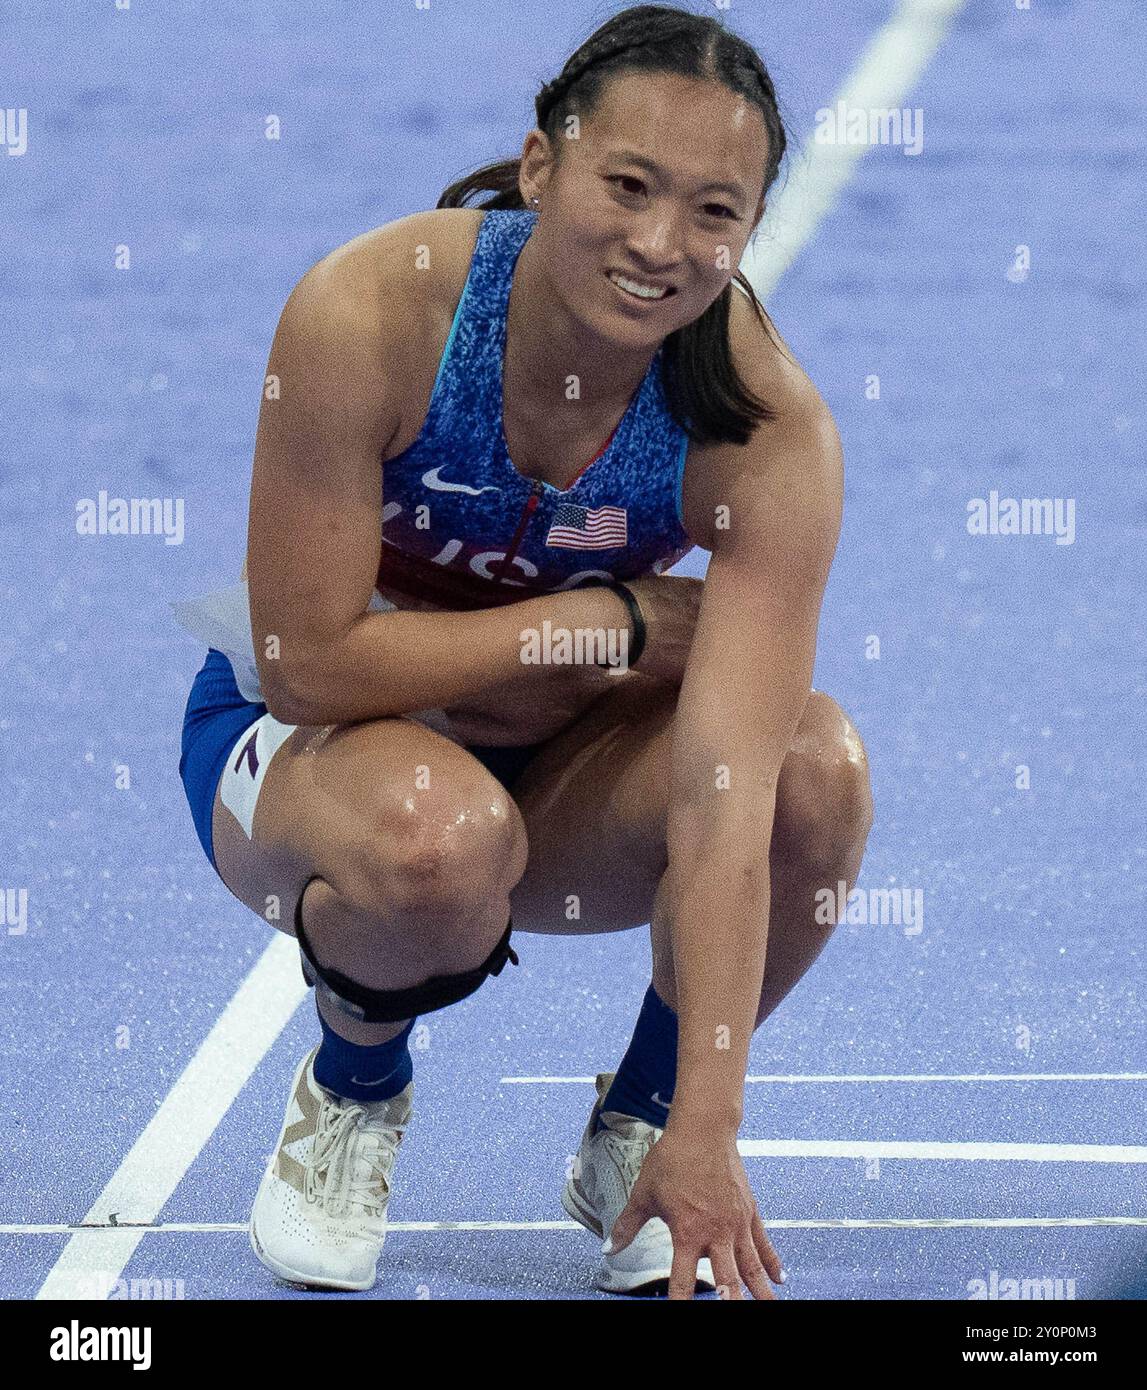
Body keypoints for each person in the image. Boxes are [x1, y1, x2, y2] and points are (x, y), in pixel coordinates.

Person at [175, 2, 873, 1300]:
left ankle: (639, 1131)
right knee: (436, 840)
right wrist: (597, 624)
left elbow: (727, 809)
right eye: (628, 186)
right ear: (541, 166)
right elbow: (307, 662)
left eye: (716, 212)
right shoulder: (369, 314)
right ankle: (355, 1079)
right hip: (311, 754)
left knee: (816, 772)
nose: (663, 246)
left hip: (561, 772)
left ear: (753, 227)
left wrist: (709, 1125)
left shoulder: (767, 435)